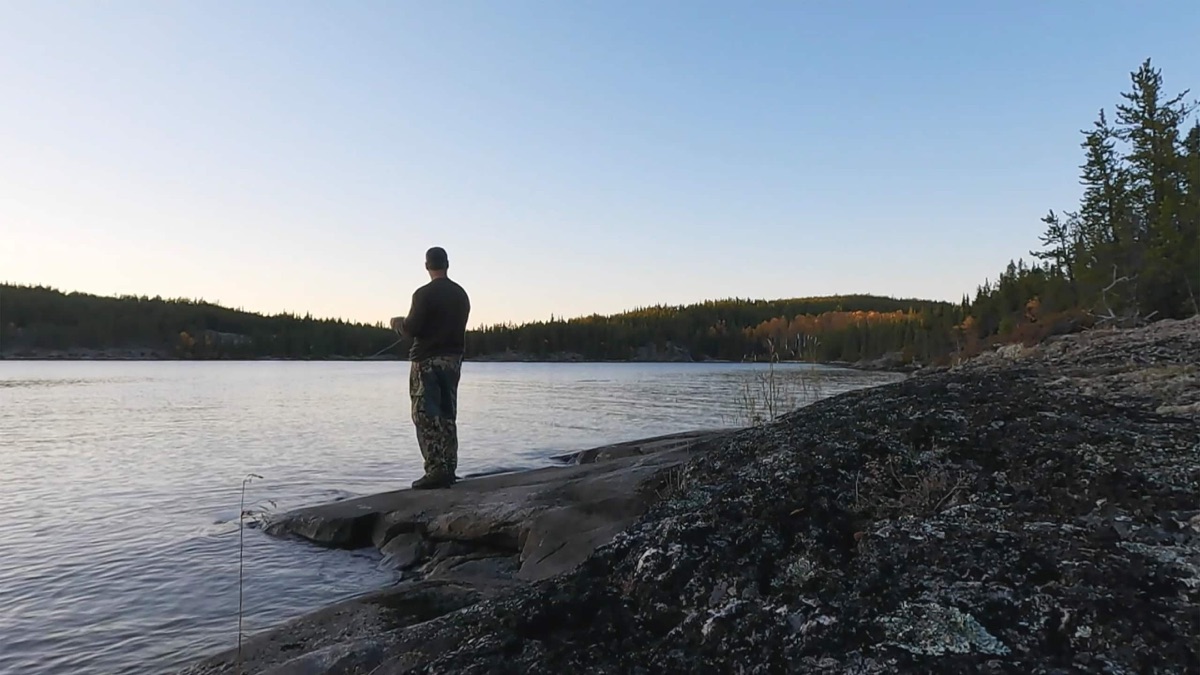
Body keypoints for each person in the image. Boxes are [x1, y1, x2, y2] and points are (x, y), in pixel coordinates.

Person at [390, 246, 471, 489]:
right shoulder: (461, 294)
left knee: (425, 415)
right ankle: (449, 468)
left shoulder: (423, 294)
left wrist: (397, 323)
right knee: (447, 414)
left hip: (426, 361)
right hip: (453, 361)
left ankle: (436, 471)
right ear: (447, 264)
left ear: (427, 266)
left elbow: (412, 328)